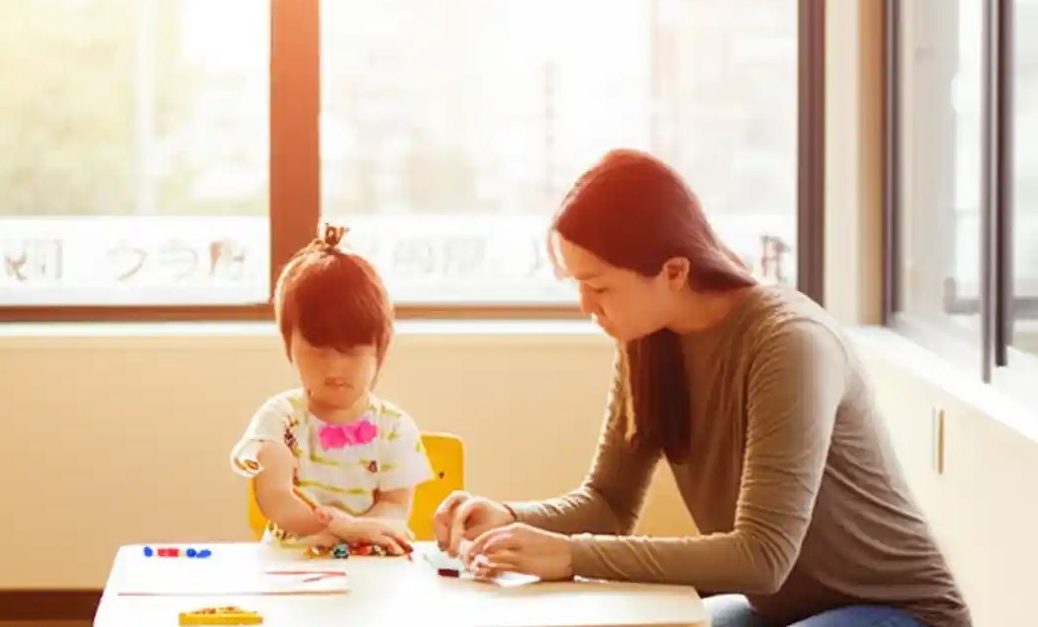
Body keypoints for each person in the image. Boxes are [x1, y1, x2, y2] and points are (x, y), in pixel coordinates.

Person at [433, 150, 969, 626]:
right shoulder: (647, 339)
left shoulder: (789, 343)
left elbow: (761, 556)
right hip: (784, 610)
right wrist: (509, 517)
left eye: (598, 285)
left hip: (900, 612)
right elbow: (609, 501)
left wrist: (571, 554)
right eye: (577, 284)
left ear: (673, 270)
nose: (585, 306)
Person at [232, 223, 434, 554]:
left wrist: (357, 531)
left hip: (370, 565)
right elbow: (276, 498)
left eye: (352, 353)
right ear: (289, 346)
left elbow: (396, 508)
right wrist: (335, 527)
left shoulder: (394, 427)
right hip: (291, 565)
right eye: (318, 351)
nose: (335, 369)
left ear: (380, 349)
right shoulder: (280, 420)